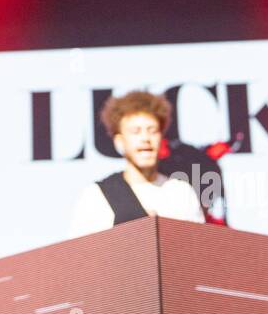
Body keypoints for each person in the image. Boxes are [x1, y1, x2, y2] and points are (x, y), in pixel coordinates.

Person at [68, 90, 204, 237]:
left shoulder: (181, 192)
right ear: (119, 141)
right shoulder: (97, 195)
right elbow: (82, 255)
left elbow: (197, 252)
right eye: (136, 131)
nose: (145, 138)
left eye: (152, 131)